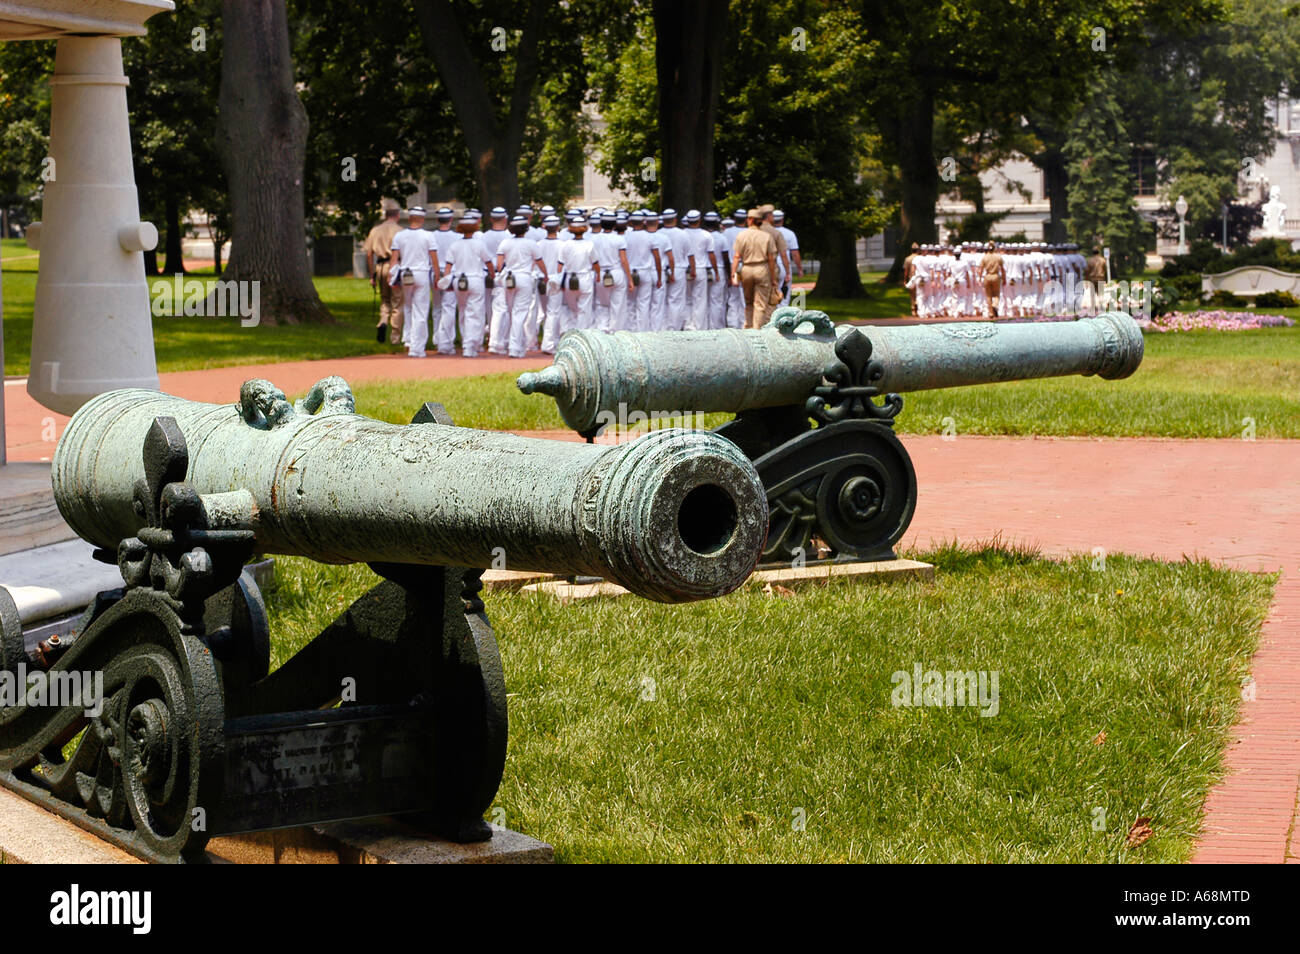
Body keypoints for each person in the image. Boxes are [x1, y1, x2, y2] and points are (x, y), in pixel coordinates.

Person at [441, 209, 494, 357]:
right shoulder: (479, 244)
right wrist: (493, 274)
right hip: (475, 280)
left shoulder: (455, 245)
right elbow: (488, 262)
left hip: (459, 280)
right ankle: (472, 345)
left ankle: (466, 341)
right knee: (475, 313)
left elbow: (448, 266)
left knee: (463, 312)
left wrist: (446, 280)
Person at [389, 206, 438, 358]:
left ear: (410, 218)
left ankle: (408, 340)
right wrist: (437, 275)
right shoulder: (428, 236)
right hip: (421, 273)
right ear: (422, 219)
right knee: (421, 310)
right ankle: (417, 347)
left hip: (405, 273)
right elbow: (433, 258)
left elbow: (394, 258)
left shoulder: (400, 235)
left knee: (408, 307)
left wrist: (391, 276)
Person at [496, 215, 546, 358]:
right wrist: (546, 275)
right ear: (526, 229)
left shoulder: (505, 243)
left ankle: (516, 345)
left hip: (509, 277)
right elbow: (539, 261)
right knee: (520, 313)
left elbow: (499, 265)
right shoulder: (531, 243)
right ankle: (514, 347)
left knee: (512, 312)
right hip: (524, 277)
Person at [363, 202, 403, 344]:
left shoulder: (375, 230)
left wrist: (372, 274)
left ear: (385, 215)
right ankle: (395, 337)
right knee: (397, 301)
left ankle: (383, 321)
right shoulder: (400, 231)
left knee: (384, 299)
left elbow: (369, 254)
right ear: (397, 215)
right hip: (395, 266)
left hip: (380, 266)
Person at [731, 208, 778, 328]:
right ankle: (757, 329)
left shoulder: (741, 235)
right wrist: (773, 278)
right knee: (760, 303)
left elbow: (737, 256)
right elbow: (771, 259)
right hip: (762, 268)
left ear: (750, 220)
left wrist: (733, 274)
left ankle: (748, 326)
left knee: (748, 302)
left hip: (746, 268)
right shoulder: (767, 236)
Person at [558, 215, 598, 332]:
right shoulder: (589, 244)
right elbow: (595, 263)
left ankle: (571, 332)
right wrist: (599, 274)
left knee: (572, 308)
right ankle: (582, 334)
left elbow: (560, 265)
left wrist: (559, 279)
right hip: (585, 277)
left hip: (569, 278)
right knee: (584, 309)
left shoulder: (565, 244)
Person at [593, 210, 631, 332]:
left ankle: (601, 329)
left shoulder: (594, 239)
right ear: (614, 224)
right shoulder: (619, 239)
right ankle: (615, 331)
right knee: (618, 305)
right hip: (616, 272)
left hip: (600, 272)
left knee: (601, 303)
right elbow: (624, 260)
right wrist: (629, 278)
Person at [430, 207, 460, 355]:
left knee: (437, 308)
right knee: (449, 308)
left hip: (435, 273)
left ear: (437, 220)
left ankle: (437, 340)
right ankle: (446, 342)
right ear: (451, 220)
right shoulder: (457, 237)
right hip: (450, 274)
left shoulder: (431, 235)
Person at [482, 207, 510, 354]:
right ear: (505, 219)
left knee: (487, 308)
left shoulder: (483, 236)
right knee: (501, 309)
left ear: (491, 219)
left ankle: (490, 338)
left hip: (486, 274)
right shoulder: (509, 236)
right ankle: (499, 340)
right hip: (502, 275)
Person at [537, 214, 565, 352]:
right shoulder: (563, 244)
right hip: (555, 280)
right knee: (553, 312)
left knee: (546, 312)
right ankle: (548, 344)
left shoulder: (539, 244)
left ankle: (551, 341)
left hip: (542, 279)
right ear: (558, 227)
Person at [682, 209, 714, 330]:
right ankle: (699, 326)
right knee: (700, 300)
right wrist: (715, 271)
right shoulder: (706, 235)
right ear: (699, 220)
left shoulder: (683, 233)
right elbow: (711, 255)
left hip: (686, 268)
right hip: (700, 268)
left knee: (687, 298)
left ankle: (687, 325)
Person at [661, 209, 691, 330]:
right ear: (675, 219)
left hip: (662, 269)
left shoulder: (658, 233)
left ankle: (663, 327)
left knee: (661, 300)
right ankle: (674, 327)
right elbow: (689, 254)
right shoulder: (683, 234)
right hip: (678, 268)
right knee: (676, 300)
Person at [624, 210, 654, 332]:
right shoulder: (649, 237)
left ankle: (632, 330)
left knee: (630, 303)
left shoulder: (626, 237)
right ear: (644, 222)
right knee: (644, 303)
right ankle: (643, 330)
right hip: (645, 271)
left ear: (631, 222)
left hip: (631, 272)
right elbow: (656, 255)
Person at [644, 211, 671, 332]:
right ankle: (656, 330)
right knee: (657, 304)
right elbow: (669, 257)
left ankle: (643, 330)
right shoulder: (663, 238)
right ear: (658, 222)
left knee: (643, 303)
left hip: (645, 271)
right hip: (657, 271)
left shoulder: (642, 236)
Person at [705, 211, 728, 329]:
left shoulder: (702, 235)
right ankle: (717, 326)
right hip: (718, 269)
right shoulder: (721, 238)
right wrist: (728, 275)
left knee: (703, 300)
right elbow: (725, 258)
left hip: (704, 269)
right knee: (717, 301)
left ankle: (705, 325)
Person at [772, 210, 801, 305]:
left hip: (770, 265)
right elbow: (795, 253)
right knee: (784, 294)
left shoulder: (767, 233)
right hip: (784, 265)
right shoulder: (789, 233)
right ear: (782, 219)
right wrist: (799, 268)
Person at [980, 241, 1005, 319]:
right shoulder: (998, 257)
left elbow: (980, 269)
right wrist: (1004, 278)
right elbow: (1002, 268)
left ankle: (990, 312)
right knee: (997, 294)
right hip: (995, 276)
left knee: (988, 296)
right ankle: (995, 305)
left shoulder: (985, 257)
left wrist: (979, 278)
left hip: (987, 276)